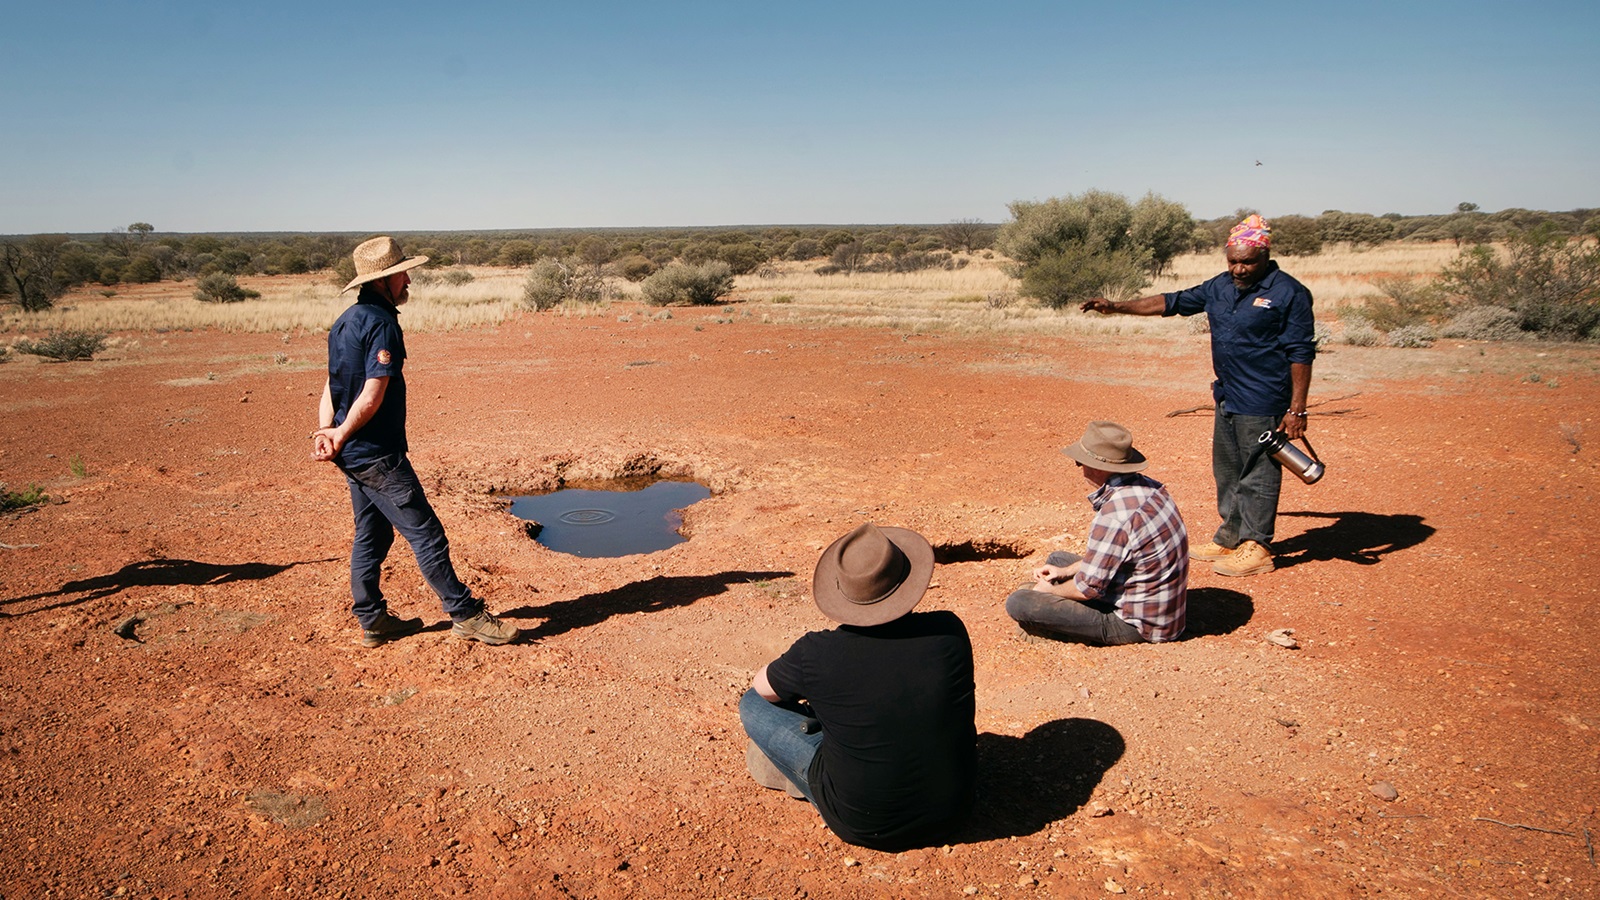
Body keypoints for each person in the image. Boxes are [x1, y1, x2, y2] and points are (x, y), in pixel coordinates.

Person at [312, 236, 519, 648]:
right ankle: (465, 614)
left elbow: (331, 386)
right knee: (426, 534)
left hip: (352, 452)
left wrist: (327, 431)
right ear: (381, 282)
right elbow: (371, 392)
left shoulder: (345, 322)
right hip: (375, 454)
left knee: (372, 534)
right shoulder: (381, 323)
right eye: (400, 274)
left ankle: (372, 620)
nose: (407, 280)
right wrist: (339, 433)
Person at [1081, 214, 1315, 577]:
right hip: (1228, 394)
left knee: (1259, 472)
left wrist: (1297, 409)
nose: (1239, 269)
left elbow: (1301, 352)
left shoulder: (1288, 292)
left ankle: (1258, 546)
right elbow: (1171, 301)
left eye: (1247, 262)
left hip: (1265, 397)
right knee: (1228, 470)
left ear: (1265, 256)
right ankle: (1231, 536)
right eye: (1233, 261)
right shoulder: (1219, 287)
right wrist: (1116, 307)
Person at [739, 523, 976, 852]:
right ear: (906, 580)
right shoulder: (949, 632)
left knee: (751, 704)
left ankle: (806, 775)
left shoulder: (818, 653)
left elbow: (763, 688)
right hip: (955, 809)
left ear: (842, 593)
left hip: (864, 822)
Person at [1005, 421, 1188, 645]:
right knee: (1058, 560)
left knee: (1020, 602)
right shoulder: (1150, 487)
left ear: (1097, 467)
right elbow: (1114, 556)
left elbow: (1086, 589)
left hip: (1139, 625)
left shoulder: (1115, 515)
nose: (1080, 469)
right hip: (1158, 606)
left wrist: (1049, 593)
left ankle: (1053, 631)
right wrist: (1063, 573)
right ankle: (1054, 590)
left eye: (1080, 462)